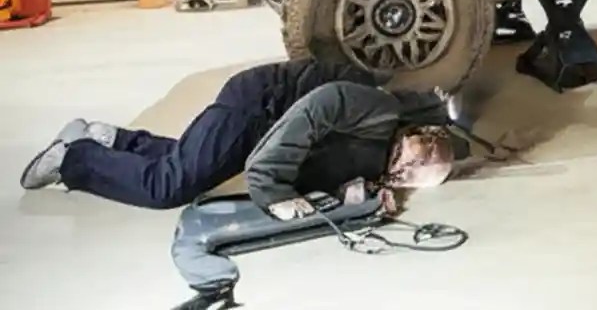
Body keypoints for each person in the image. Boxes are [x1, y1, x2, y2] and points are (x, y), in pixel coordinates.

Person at [20, 59, 461, 215]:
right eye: (415, 158)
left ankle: (111, 140)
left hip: (271, 119)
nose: (407, 170)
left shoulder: (385, 154)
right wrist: (271, 190)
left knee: (190, 160)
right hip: (257, 105)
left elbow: (337, 161)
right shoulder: (381, 111)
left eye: (411, 177)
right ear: (415, 132)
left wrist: (364, 195)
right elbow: (319, 106)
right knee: (169, 186)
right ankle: (73, 156)